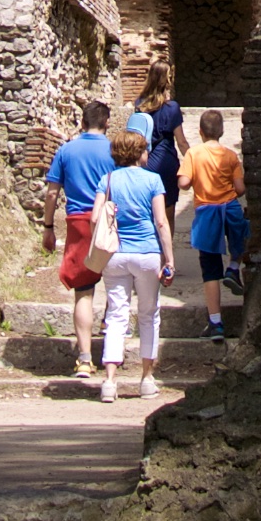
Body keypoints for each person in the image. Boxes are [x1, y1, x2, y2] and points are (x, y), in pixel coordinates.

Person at [94, 130, 173, 402]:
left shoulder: (108, 180)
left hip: (115, 254)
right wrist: (170, 260)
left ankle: (109, 381)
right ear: (140, 153)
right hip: (147, 252)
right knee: (149, 314)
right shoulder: (152, 180)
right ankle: (147, 379)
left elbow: (95, 218)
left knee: (116, 315)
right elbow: (161, 222)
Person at [40, 102, 116, 374]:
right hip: (110, 220)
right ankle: (111, 342)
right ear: (106, 122)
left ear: (82, 122)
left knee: (84, 293)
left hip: (78, 223)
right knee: (116, 285)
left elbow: (51, 193)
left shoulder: (66, 149)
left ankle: (84, 358)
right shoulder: (114, 150)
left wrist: (48, 226)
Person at [180, 108, 249, 341]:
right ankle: (233, 268)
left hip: (207, 212)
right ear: (222, 131)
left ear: (199, 132)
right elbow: (240, 189)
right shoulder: (230, 156)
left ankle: (216, 323)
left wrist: (186, 180)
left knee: (210, 270)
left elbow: (184, 183)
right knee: (241, 239)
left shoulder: (193, 154)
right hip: (230, 207)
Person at [136, 65, 185, 228]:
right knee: (168, 215)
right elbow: (181, 141)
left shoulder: (139, 105)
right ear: (167, 80)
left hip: (145, 162)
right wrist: (195, 159)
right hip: (166, 164)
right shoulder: (172, 108)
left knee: (147, 212)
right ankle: (165, 251)